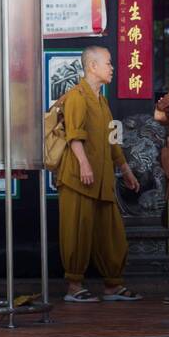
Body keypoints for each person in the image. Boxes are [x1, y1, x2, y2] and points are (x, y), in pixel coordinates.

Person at [57, 46, 141, 303]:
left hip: (102, 179)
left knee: (111, 233)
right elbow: (74, 135)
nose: (112, 67)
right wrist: (83, 164)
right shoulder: (76, 97)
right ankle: (74, 286)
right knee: (77, 231)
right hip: (77, 178)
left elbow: (112, 140)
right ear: (92, 66)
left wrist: (125, 169)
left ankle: (113, 285)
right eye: (108, 63)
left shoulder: (101, 100)